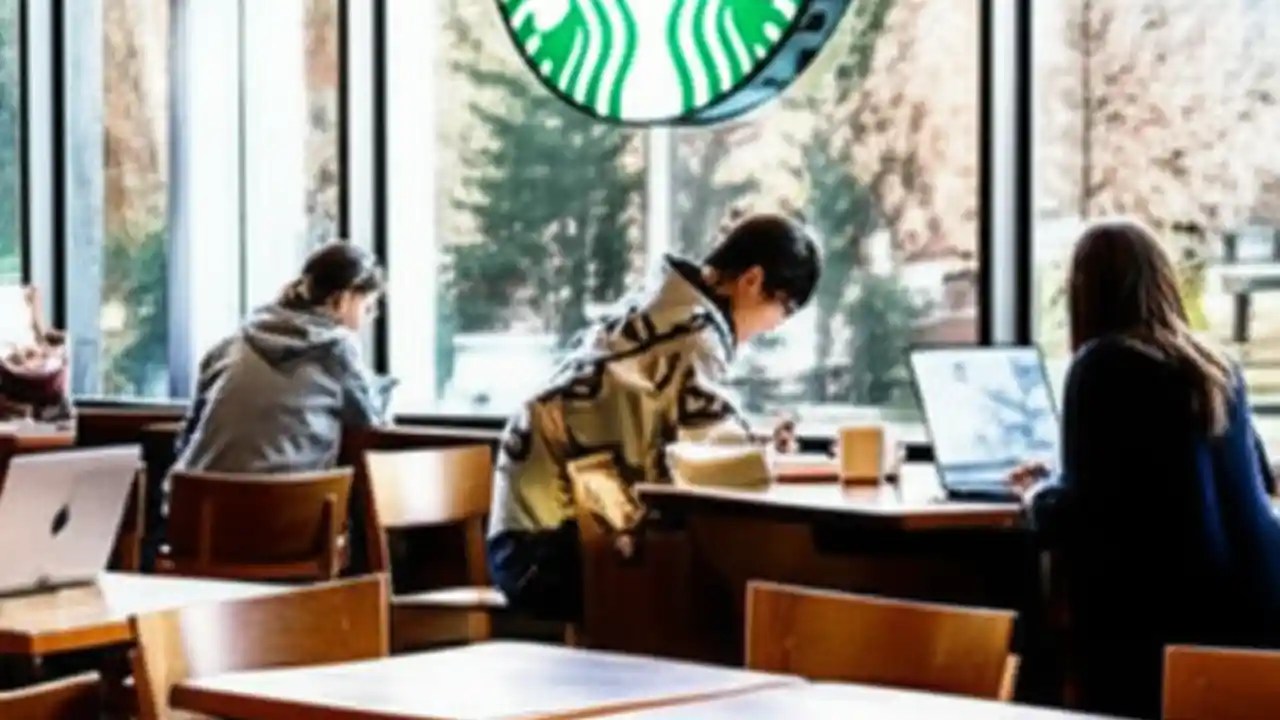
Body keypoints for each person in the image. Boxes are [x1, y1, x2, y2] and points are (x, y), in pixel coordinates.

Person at [487, 213, 822, 620]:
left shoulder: (663, 304)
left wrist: (756, 445)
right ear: (752, 280)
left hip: (520, 540)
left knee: (704, 580)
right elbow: (719, 463)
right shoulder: (693, 337)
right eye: (784, 308)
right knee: (719, 601)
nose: (774, 326)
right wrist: (769, 455)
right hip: (548, 551)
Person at [1014, 218, 1280, 718]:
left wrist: (1035, 492)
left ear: (1084, 293)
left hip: (1167, 623)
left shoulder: (1101, 364)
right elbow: (1259, 479)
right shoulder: (1216, 366)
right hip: (1261, 609)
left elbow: (1077, 512)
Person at [173, 241, 393, 475]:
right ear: (343, 300)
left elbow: (186, 439)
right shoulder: (336, 348)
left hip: (197, 494)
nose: (371, 317)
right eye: (368, 307)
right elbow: (371, 423)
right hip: (288, 497)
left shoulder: (231, 345)